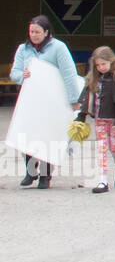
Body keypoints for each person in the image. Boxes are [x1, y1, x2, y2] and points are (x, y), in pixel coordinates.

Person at [9, 15, 83, 189]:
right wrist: (22, 76)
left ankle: (45, 175)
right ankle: (30, 171)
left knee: (48, 137)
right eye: (31, 32)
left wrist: (74, 100)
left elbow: (69, 74)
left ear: (46, 32)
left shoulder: (58, 47)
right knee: (26, 134)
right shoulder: (23, 49)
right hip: (30, 99)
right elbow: (15, 72)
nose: (34, 35)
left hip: (51, 101)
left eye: (37, 32)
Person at [75, 46, 115, 193]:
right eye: (98, 65)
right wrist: (81, 117)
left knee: (114, 147)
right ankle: (102, 181)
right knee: (101, 149)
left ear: (111, 61)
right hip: (100, 119)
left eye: (103, 64)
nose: (101, 68)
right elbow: (86, 98)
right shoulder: (93, 78)